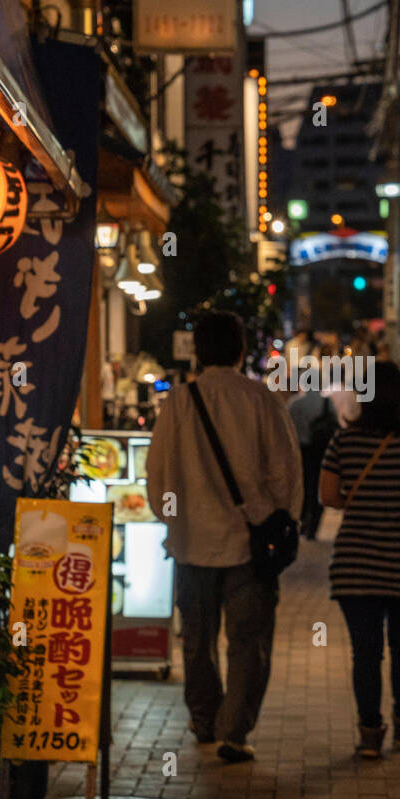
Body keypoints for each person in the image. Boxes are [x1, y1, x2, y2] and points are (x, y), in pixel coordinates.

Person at [147, 310, 303, 764]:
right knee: (248, 641)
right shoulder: (260, 398)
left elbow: (156, 475)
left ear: (197, 351)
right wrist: (279, 518)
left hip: (191, 545)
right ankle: (234, 731)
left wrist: (171, 520)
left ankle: (203, 719)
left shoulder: (177, 401)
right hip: (248, 546)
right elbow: (286, 472)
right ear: (240, 350)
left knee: (196, 640)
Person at [319, 361, 400, 758]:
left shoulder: (343, 441)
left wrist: (360, 502)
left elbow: (327, 495)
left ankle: (370, 734)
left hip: (356, 563)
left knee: (366, 653)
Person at [287, 383, 337, 539]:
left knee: (302, 486)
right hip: (319, 450)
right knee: (316, 487)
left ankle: (301, 522)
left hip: (300, 450)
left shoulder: (295, 403)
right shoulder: (327, 403)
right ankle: (313, 527)